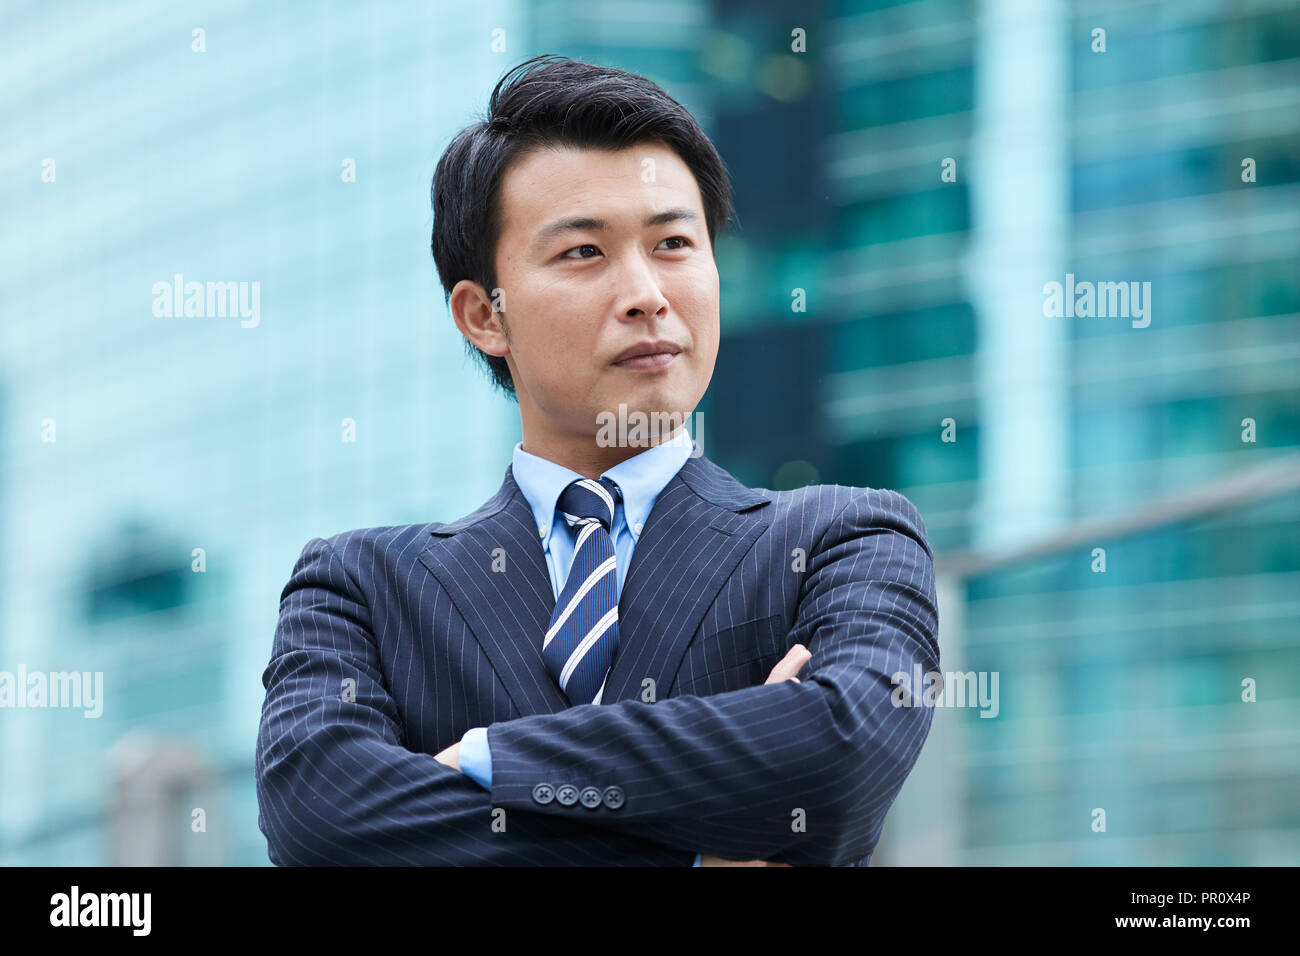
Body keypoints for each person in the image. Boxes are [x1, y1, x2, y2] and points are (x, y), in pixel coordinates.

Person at [255, 54, 940, 866]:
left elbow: (840, 754)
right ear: (485, 315)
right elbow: (322, 817)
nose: (648, 291)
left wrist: (487, 760)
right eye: (584, 252)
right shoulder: (361, 586)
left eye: (676, 243)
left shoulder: (844, 537)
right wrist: (703, 829)